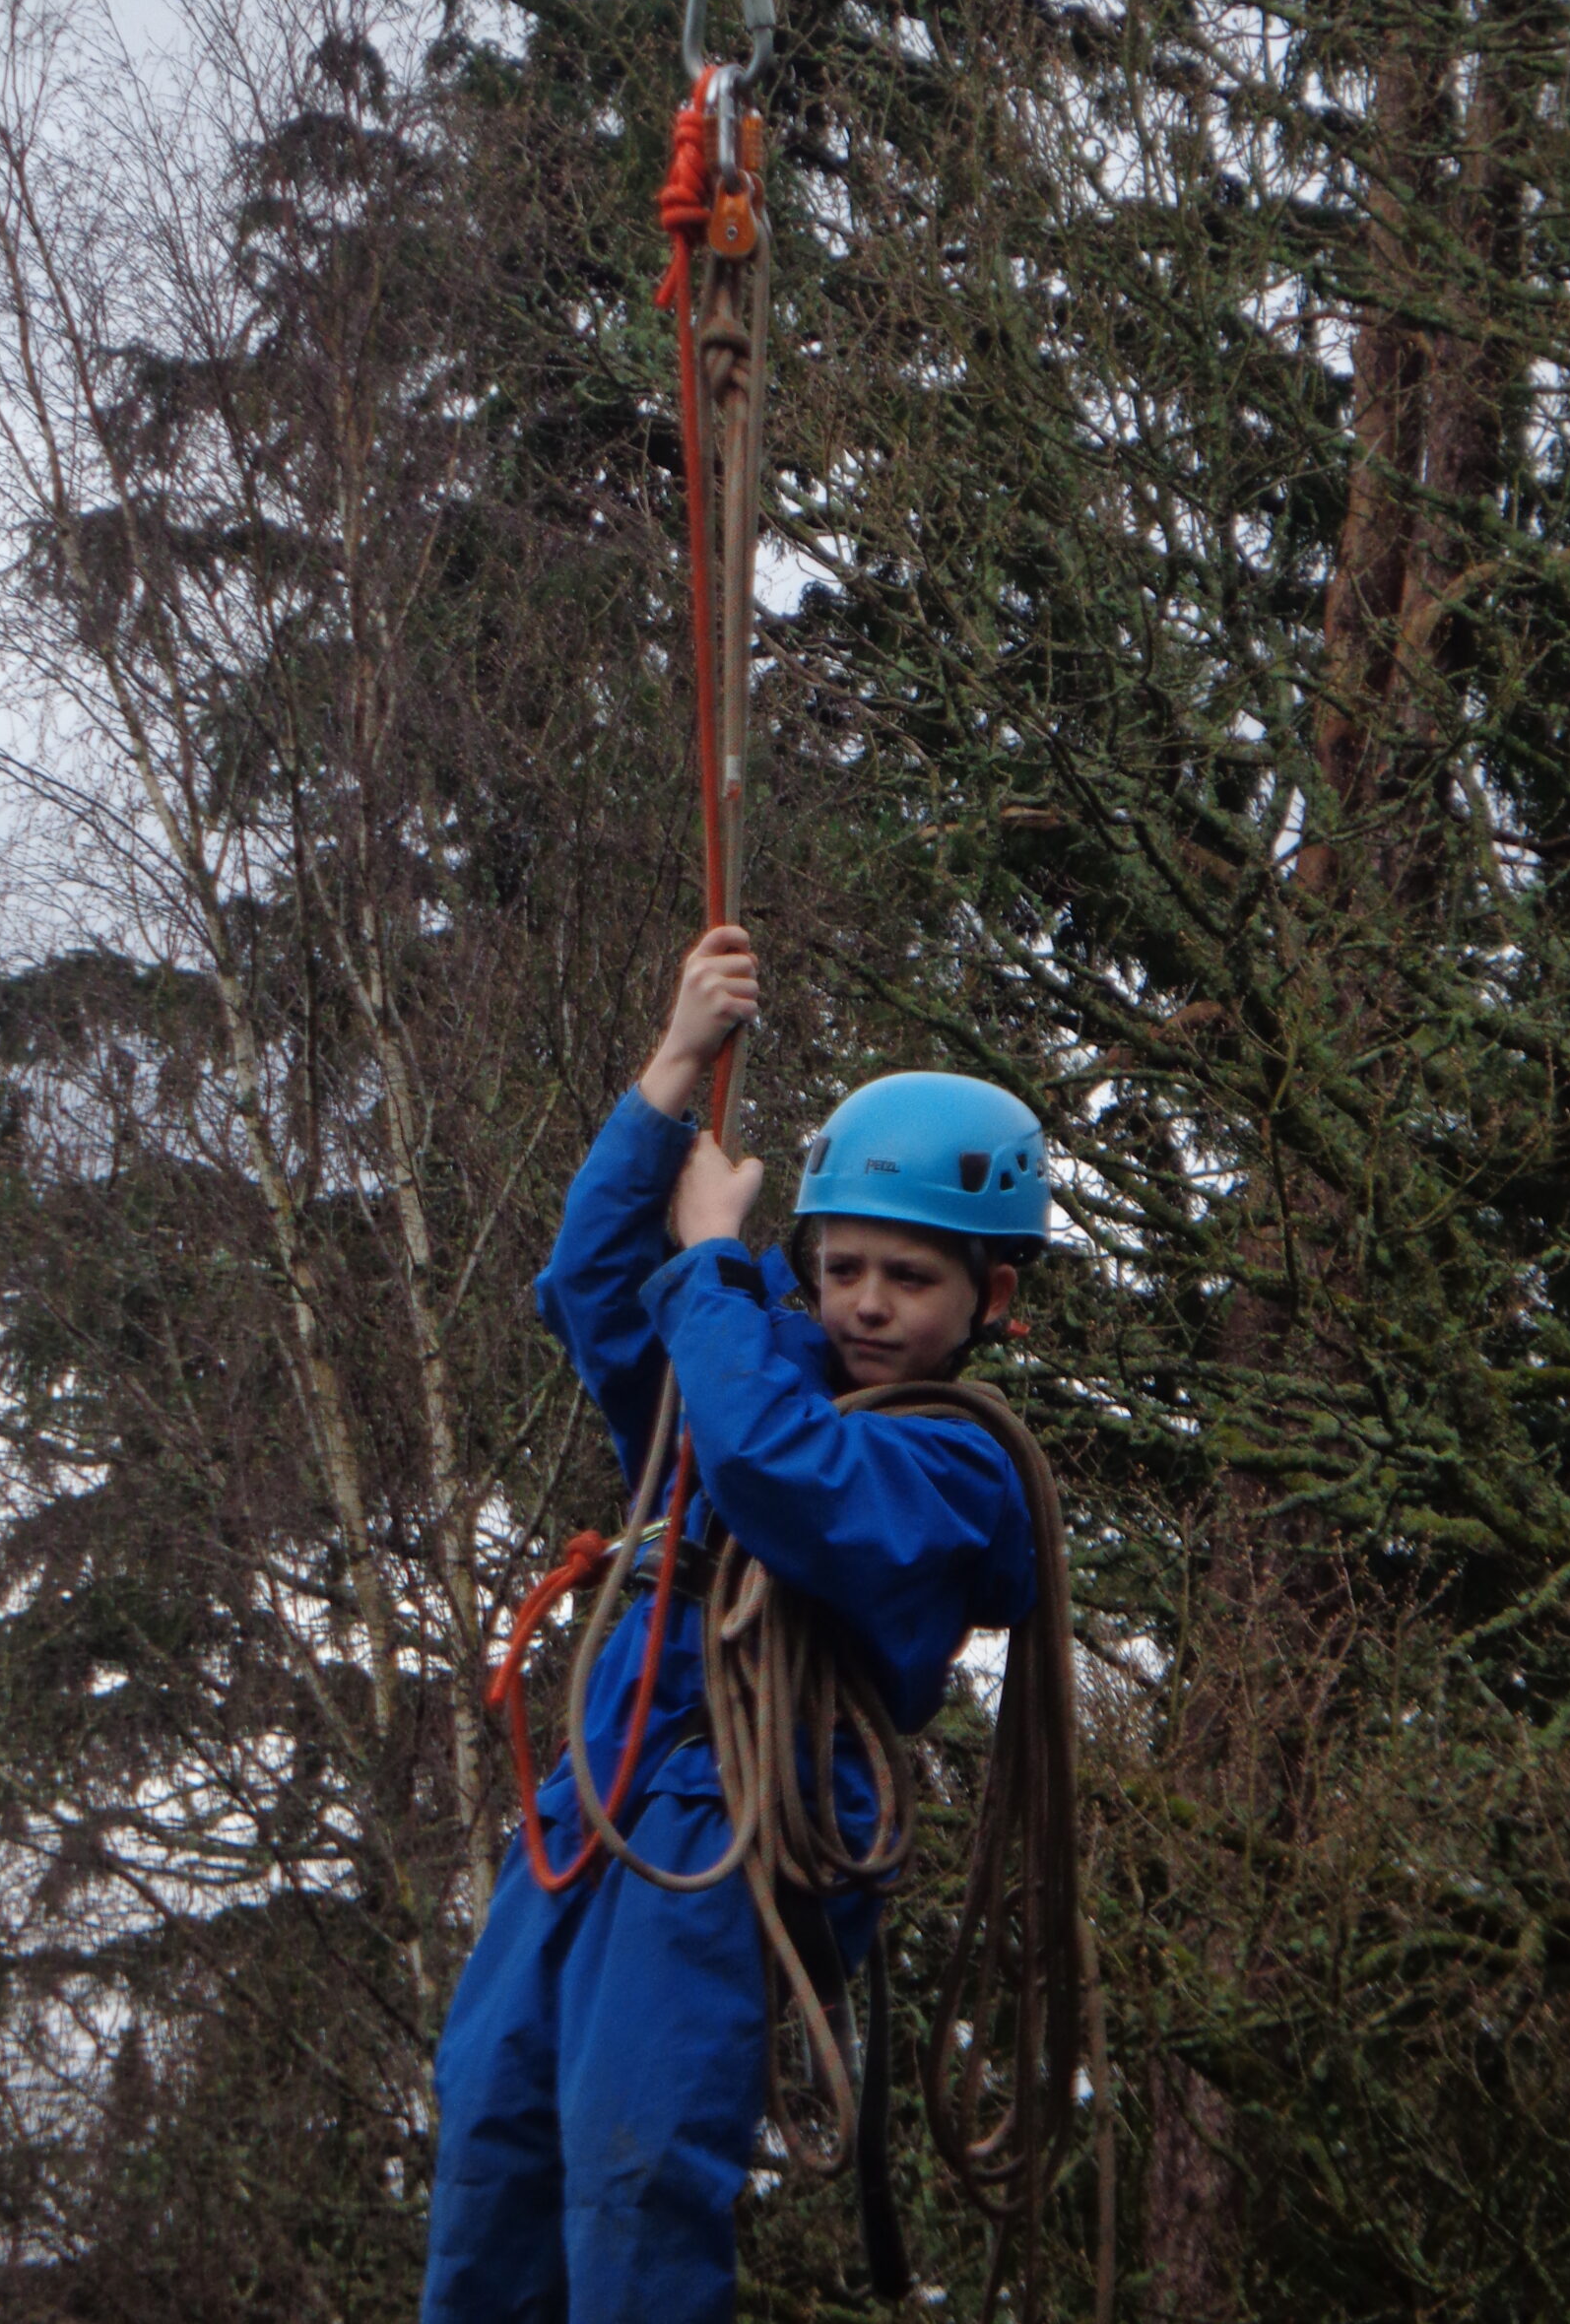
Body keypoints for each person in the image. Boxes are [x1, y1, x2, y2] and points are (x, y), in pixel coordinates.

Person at [421, 924, 1050, 2324]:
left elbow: (783, 1479)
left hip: (739, 1820)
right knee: (493, 2134)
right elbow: (590, 1296)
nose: (869, 1303)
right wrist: (671, 1074)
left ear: (989, 1300)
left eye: (913, 1278)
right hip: (605, 1785)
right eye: (842, 1268)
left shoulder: (955, 1466)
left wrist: (713, 1259)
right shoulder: (741, 1360)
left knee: (634, 2162)